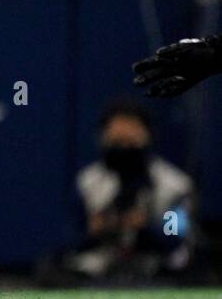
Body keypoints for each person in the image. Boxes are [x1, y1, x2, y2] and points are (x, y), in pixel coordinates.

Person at [69, 100, 194, 279]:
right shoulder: (88, 181)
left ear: (147, 137)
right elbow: (71, 235)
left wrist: (146, 226)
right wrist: (96, 228)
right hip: (99, 269)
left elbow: (175, 235)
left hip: (158, 270)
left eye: (131, 141)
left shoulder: (174, 185)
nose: (124, 149)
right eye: (117, 142)